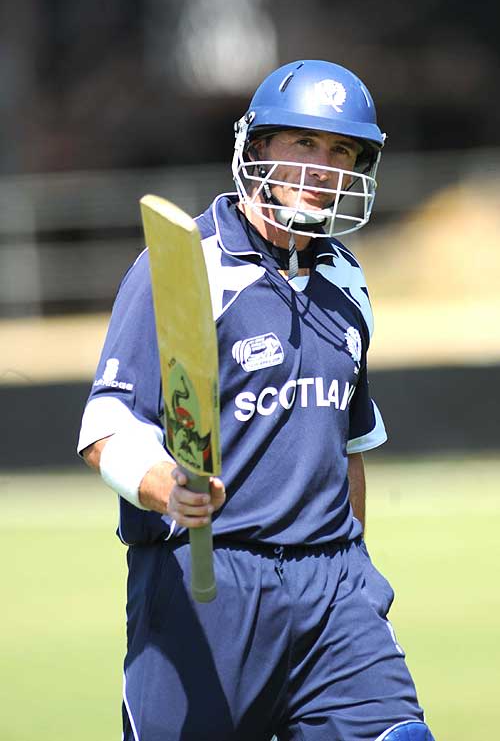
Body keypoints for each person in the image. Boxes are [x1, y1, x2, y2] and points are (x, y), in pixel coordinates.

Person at [78, 60, 435, 741]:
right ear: (258, 146)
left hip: (333, 589)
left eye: (341, 151)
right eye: (304, 143)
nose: (322, 166)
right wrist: (163, 488)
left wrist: (356, 570)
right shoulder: (186, 265)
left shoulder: (347, 279)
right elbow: (107, 427)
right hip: (206, 582)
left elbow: (348, 447)